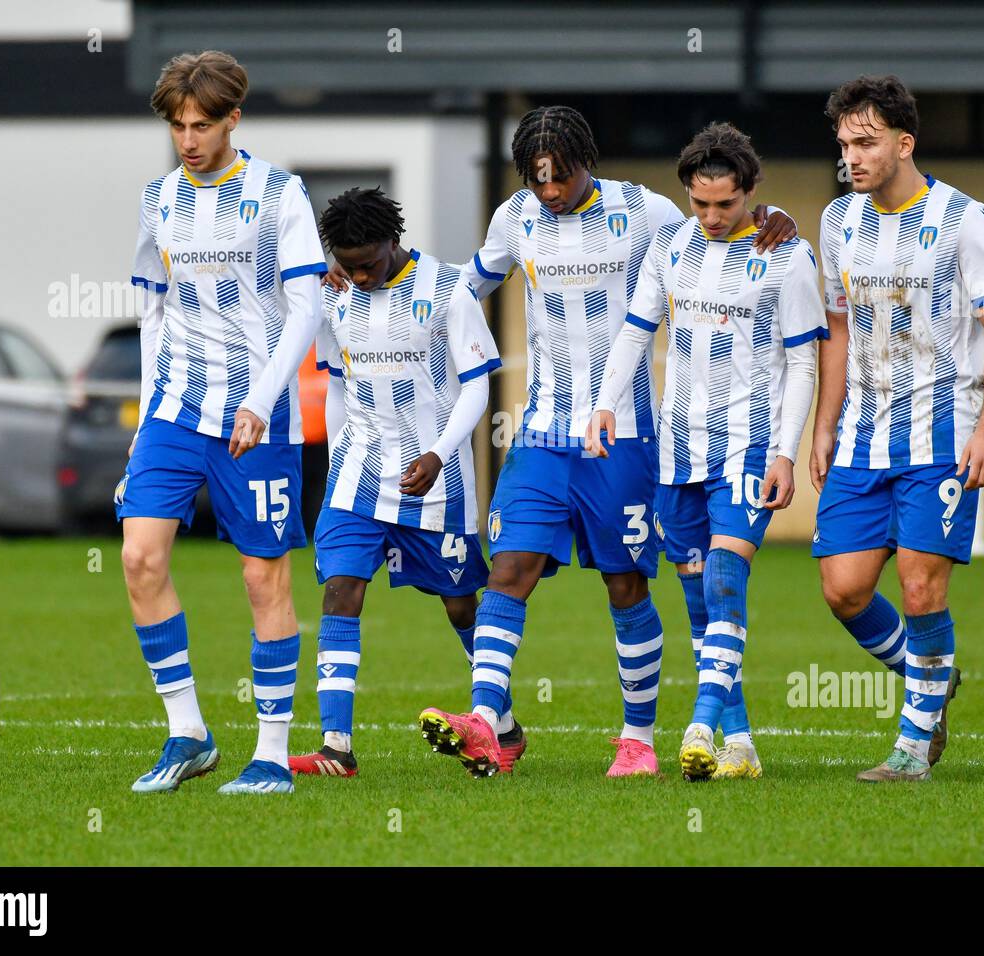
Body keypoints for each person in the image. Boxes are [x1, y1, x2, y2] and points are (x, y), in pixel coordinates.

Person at [409, 105, 797, 777]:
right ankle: (486, 720)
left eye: (560, 176)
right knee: (509, 569)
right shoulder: (515, 217)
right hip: (539, 433)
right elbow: (466, 285)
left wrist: (771, 218)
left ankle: (637, 739)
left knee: (624, 583)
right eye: (538, 180)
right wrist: (384, 283)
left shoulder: (642, 211)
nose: (550, 191)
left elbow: (713, 232)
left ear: (585, 161)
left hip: (625, 436)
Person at [587, 122, 826, 780]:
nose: (714, 216)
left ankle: (699, 720)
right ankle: (742, 745)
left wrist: (784, 452)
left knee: (726, 579)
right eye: (701, 203)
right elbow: (636, 331)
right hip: (677, 452)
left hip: (748, 450)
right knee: (698, 600)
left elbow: (804, 362)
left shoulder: (788, 255)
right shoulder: (669, 245)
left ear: (751, 191)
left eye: (726, 204)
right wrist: (604, 403)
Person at [118, 50, 327, 795]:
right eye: (178, 126)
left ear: (233, 119)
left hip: (256, 417)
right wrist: (145, 422)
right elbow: (151, 311)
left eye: (202, 125)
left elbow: (307, 307)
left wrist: (262, 398)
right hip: (176, 409)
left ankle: (271, 753)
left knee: (261, 576)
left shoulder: (279, 195)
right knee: (140, 557)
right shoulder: (157, 200)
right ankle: (189, 734)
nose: (188, 139)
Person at [810, 75, 984, 782]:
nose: (852, 157)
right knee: (843, 589)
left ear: (905, 141)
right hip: (863, 437)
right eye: (844, 144)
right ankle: (934, 677)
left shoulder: (964, 218)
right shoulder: (838, 221)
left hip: (943, 433)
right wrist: (822, 425)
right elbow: (835, 329)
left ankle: (912, 745)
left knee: (920, 585)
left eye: (865, 142)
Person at [286, 187, 514, 778]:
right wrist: (340, 459)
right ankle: (337, 746)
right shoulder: (335, 297)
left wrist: (439, 452)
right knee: (341, 589)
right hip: (358, 476)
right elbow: (336, 381)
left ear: (394, 241)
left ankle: (501, 725)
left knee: (461, 607)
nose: (359, 276)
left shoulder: (446, 291)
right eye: (348, 264)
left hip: (436, 482)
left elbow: (477, 385)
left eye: (369, 262)